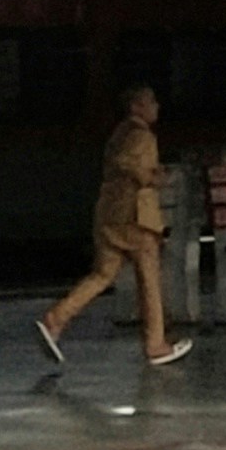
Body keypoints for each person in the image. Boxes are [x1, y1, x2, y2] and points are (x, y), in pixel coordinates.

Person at [38, 85, 188, 369]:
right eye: (150, 102)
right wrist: (154, 177)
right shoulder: (141, 135)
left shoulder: (117, 133)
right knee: (149, 279)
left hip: (108, 213)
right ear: (136, 107)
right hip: (135, 217)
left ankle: (56, 318)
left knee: (103, 274)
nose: (156, 107)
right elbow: (131, 165)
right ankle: (156, 344)